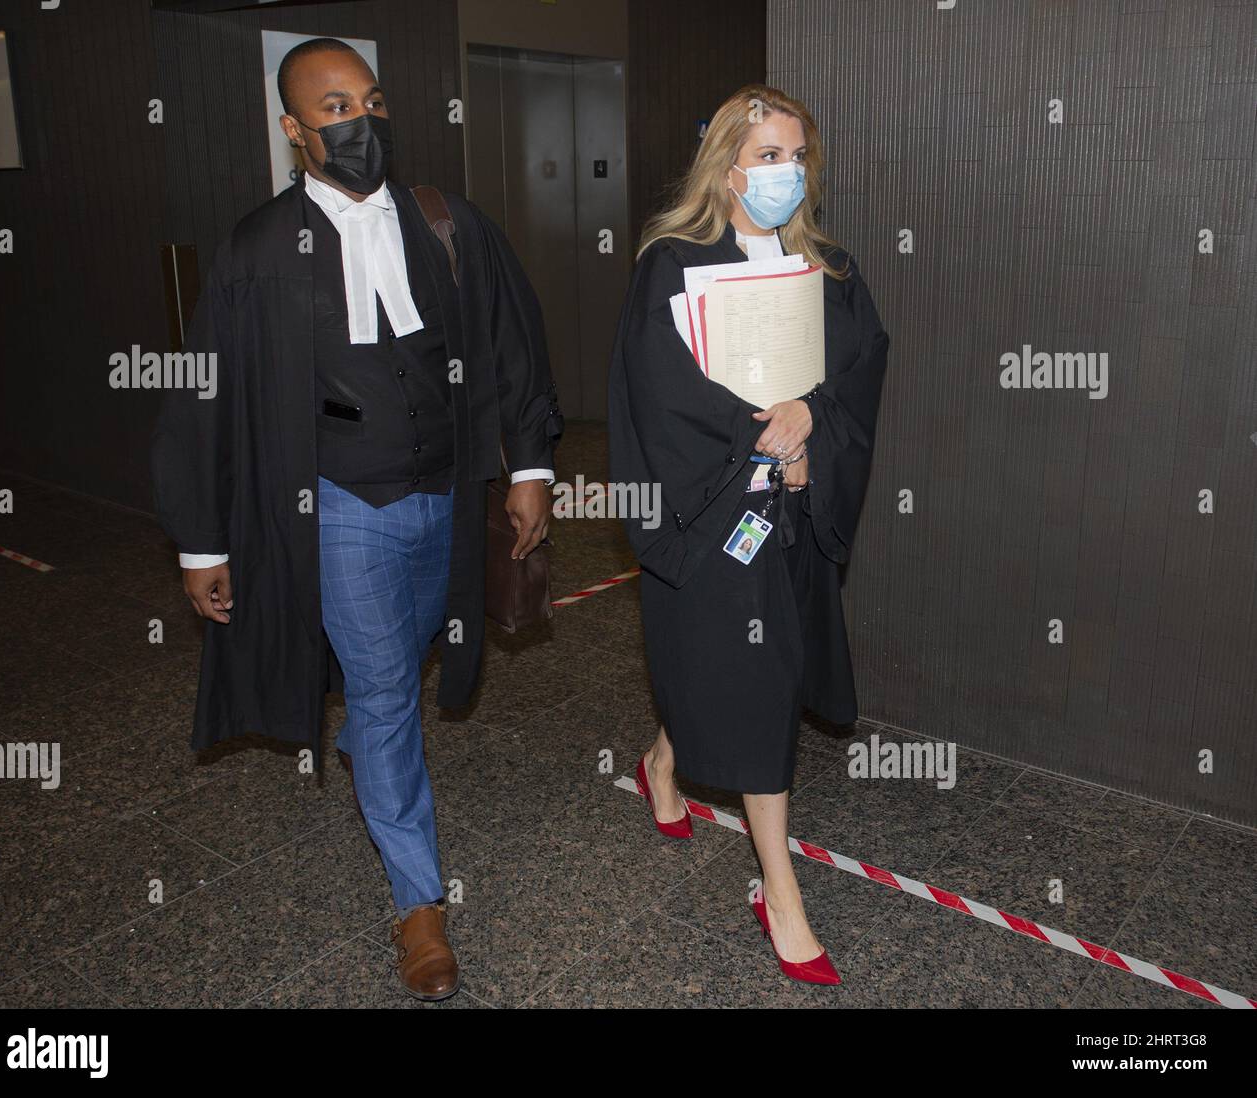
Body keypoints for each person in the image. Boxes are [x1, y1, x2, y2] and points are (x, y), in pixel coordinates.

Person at [150, 38, 563, 1001]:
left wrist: (532, 466)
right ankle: (420, 907)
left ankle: (367, 744)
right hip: (337, 507)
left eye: (370, 100)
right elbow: (203, 397)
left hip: (446, 495)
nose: (359, 122)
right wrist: (203, 541)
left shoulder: (447, 222)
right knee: (384, 691)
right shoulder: (259, 249)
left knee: (411, 654)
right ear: (294, 131)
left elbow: (512, 341)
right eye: (333, 109)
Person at [607, 83, 890, 984]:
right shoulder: (672, 263)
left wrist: (812, 420)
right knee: (757, 682)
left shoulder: (830, 268)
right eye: (770, 156)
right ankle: (779, 886)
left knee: (750, 666)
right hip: (717, 506)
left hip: (796, 510)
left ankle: (664, 758)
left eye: (799, 155)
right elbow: (658, 390)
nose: (788, 173)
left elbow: (859, 369)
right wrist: (761, 442)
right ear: (727, 164)